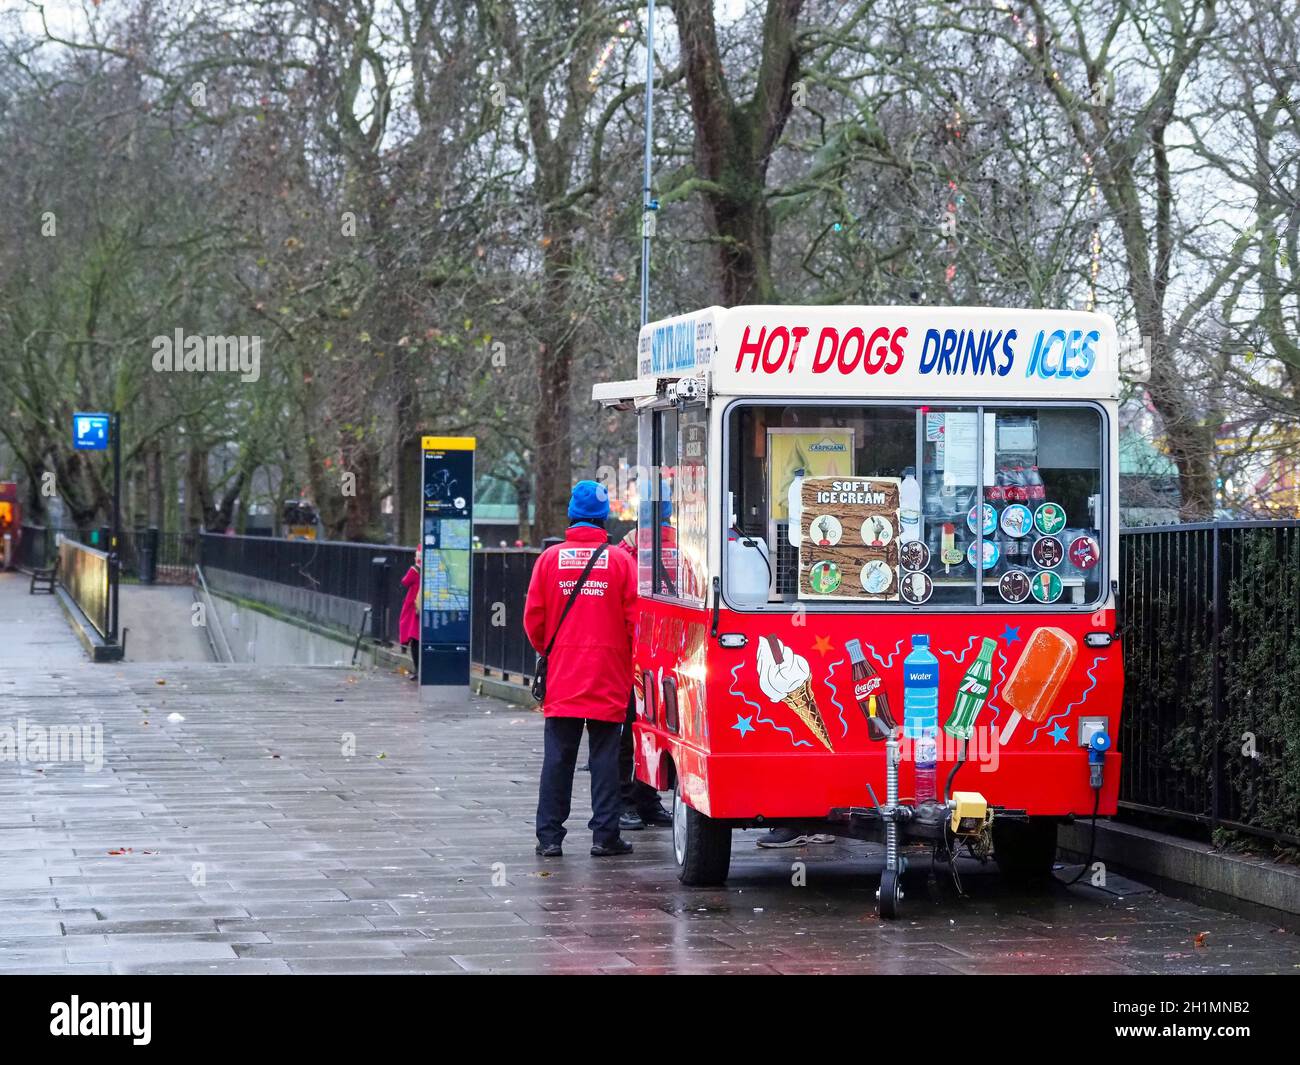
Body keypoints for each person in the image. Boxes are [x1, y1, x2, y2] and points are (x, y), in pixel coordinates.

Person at [525, 481, 637, 858]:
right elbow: (634, 623)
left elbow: (534, 620)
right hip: (608, 673)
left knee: (558, 757)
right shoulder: (622, 562)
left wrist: (553, 651)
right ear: (603, 519)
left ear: (571, 514)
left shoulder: (549, 560)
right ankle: (605, 836)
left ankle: (550, 837)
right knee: (605, 756)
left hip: (564, 674)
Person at [615, 523, 672, 831]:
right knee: (642, 729)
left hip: (645, 651)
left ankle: (635, 799)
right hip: (648, 652)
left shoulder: (627, 551)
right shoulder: (628, 555)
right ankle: (637, 799)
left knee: (636, 731)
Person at [398, 550, 421, 681]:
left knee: (415, 640)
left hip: (414, 609)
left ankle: (418, 669)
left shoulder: (415, 571)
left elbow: (404, 582)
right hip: (424, 608)